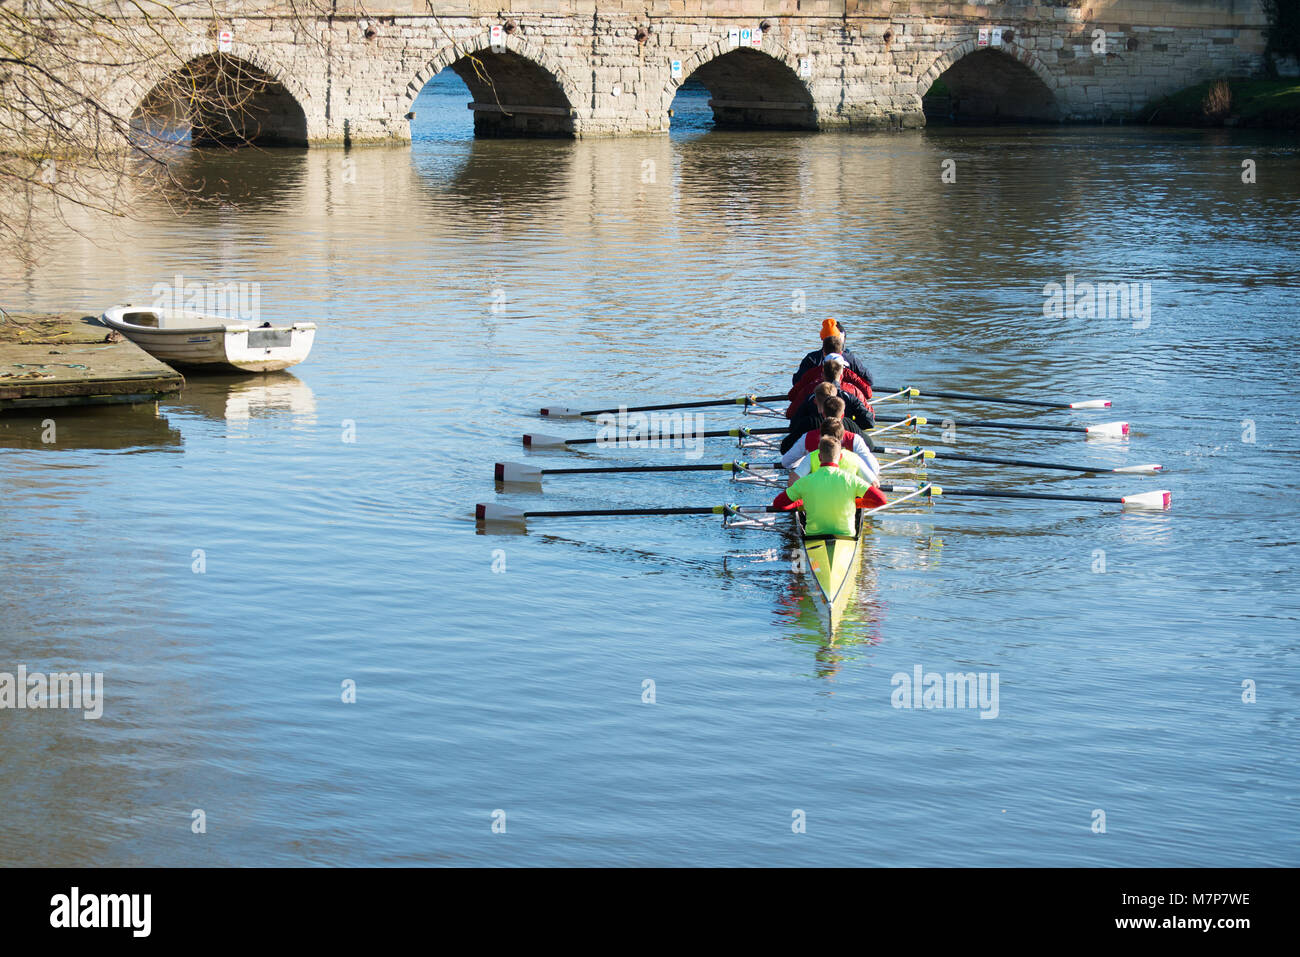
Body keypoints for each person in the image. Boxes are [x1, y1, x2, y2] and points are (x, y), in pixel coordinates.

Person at [771, 436, 883, 536]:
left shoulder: (804, 482)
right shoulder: (852, 480)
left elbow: (778, 504)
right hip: (846, 536)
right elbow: (881, 500)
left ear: (819, 457)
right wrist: (856, 503)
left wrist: (802, 503)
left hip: (814, 536)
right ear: (839, 458)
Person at [781, 401, 879, 468]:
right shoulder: (854, 439)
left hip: (816, 490)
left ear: (823, 414)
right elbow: (874, 466)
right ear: (843, 415)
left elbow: (785, 462)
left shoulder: (808, 438)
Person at [782, 382, 875, 453]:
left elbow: (784, 448)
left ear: (815, 401)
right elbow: (870, 446)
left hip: (814, 471)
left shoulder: (808, 423)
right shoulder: (849, 423)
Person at [783, 415, 882, 481]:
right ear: (842, 435)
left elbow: (786, 463)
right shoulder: (855, 458)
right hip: (846, 500)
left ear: (821, 435)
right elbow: (874, 472)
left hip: (817, 498)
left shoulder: (811, 456)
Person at [792, 318, 874, 389]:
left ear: (822, 339)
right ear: (840, 340)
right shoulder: (850, 359)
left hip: (818, 399)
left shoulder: (811, 359)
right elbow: (869, 380)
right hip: (846, 400)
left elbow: (796, 382)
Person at [787, 352, 869, 416]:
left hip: (815, 431)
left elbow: (790, 413)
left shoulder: (810, 389)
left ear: (822, 372)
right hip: (844, 430)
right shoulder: (853, 390)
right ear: (842, 373)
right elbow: (870, 416)